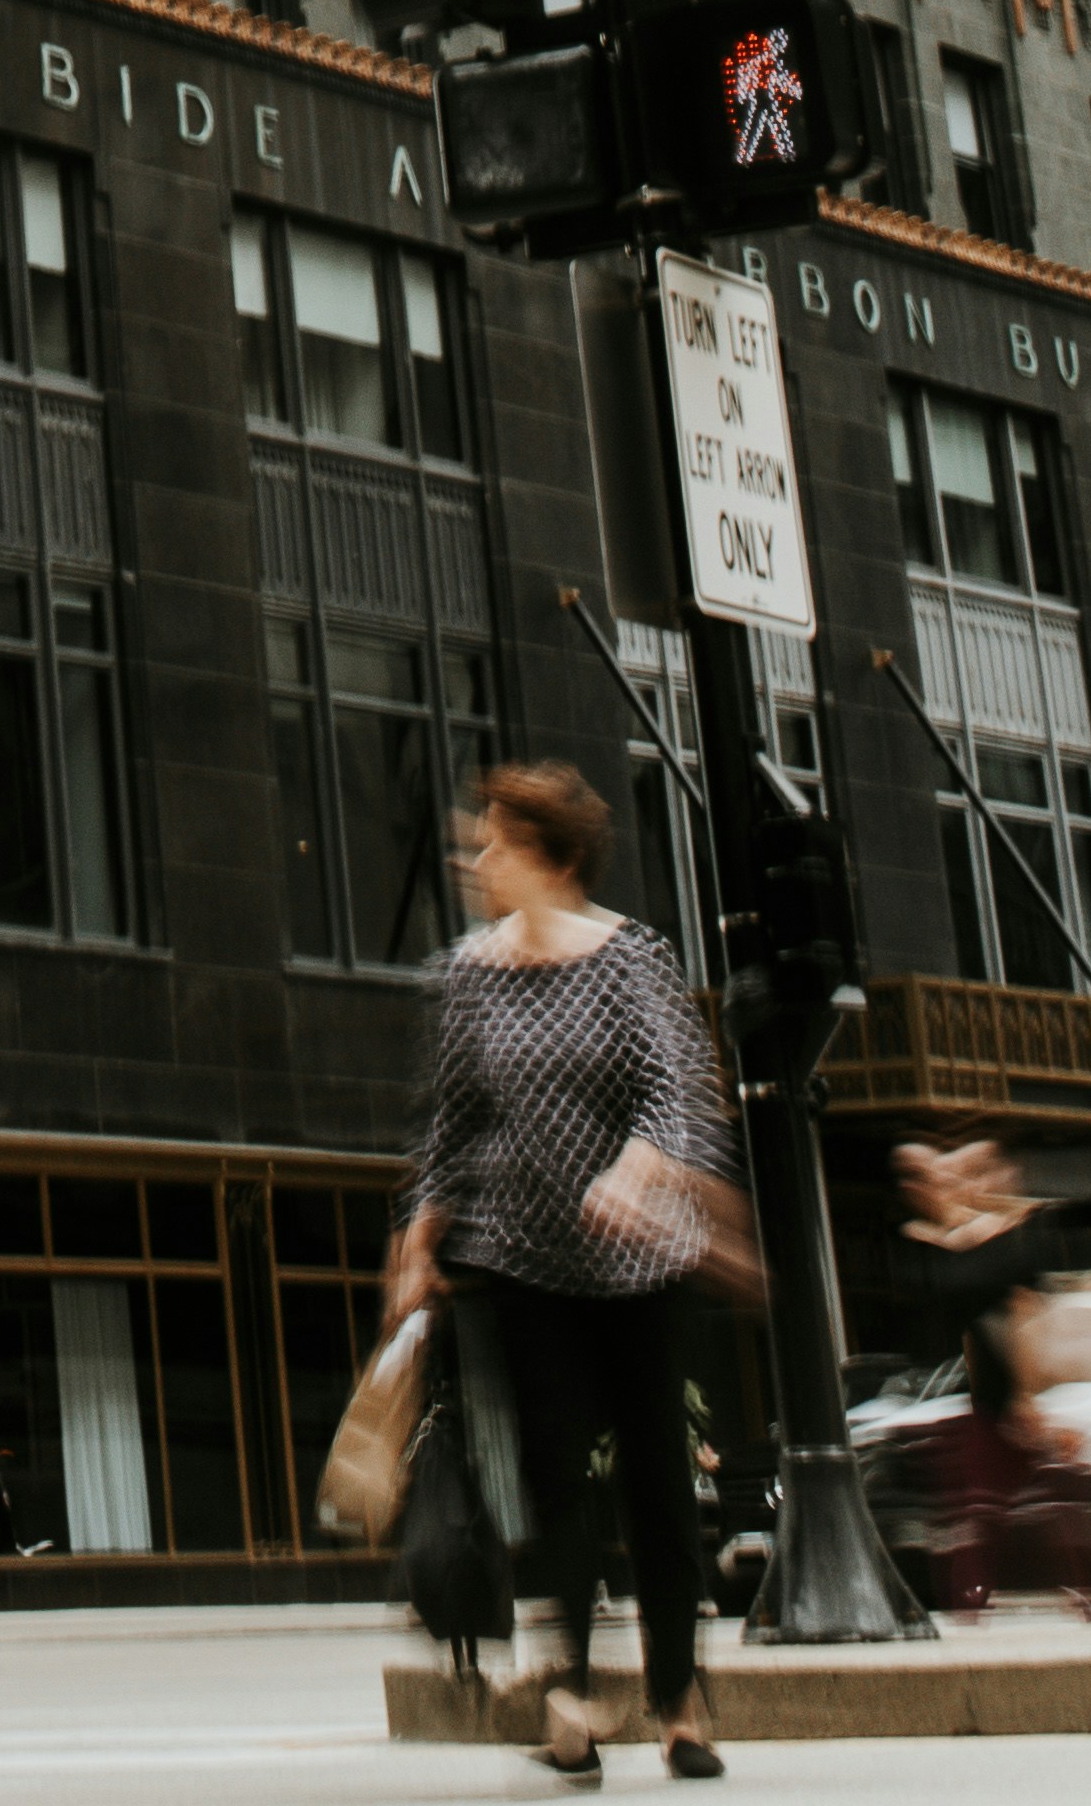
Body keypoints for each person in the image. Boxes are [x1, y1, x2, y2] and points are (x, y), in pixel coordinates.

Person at [383, 764, 740, 1785]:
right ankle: (574, 1691)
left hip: (641, 1263)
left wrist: (635, 1172)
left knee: (655, 1481)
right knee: (552, 1481)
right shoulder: (464, 974)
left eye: (495, 842)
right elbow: (451, 1121)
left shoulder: (630, 959)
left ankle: (677, 1698)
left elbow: (673, 1099)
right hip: (524, 1260)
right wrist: (419, 1234)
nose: (476, 859)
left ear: (553, 859)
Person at [897, 1140, 1091, 1619]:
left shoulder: (1016, 1237)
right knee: (994, 1501)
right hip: (992, 1394)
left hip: (1024, 1387)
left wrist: (1028, 1394)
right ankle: (987, 1597)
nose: (967, 1183)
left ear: (1003, 1175)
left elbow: (1029, 1311)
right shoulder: (956, 1241)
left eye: (977, 1172)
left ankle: (1079, 1588)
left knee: (1026, 1498)